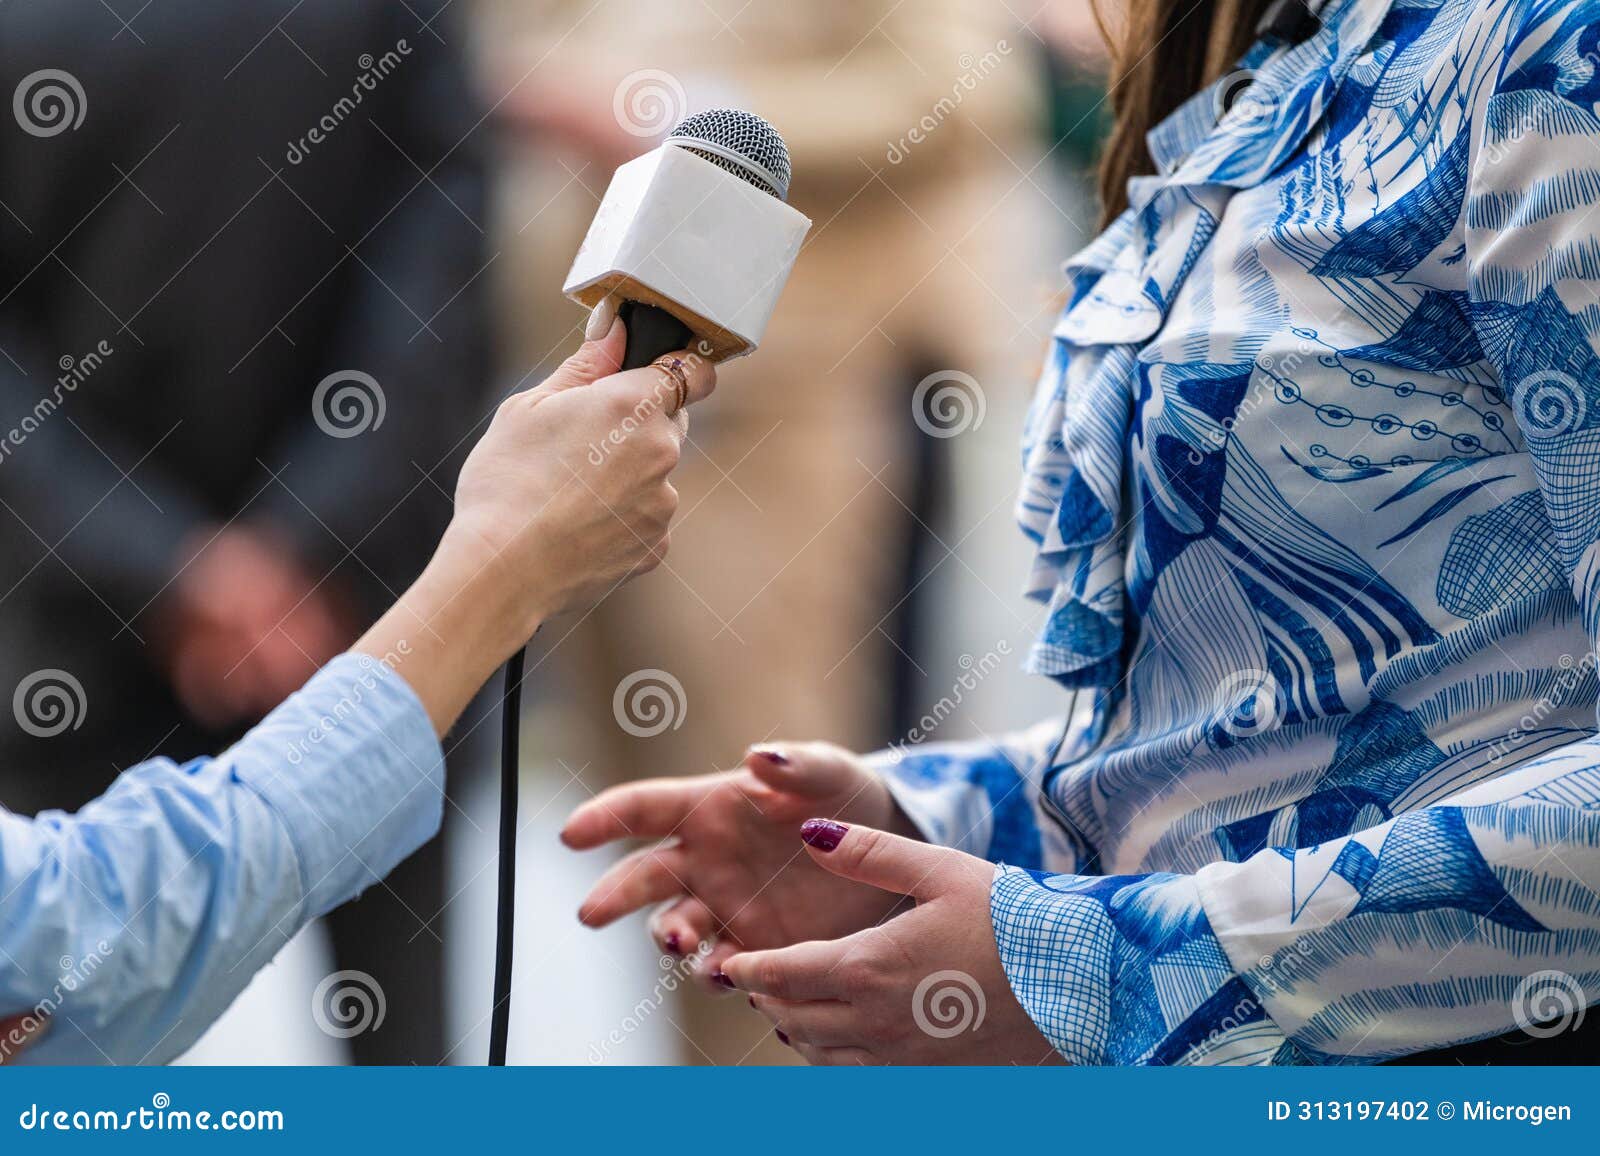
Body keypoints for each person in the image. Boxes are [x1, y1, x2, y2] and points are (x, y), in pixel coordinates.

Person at [566, 0, 1600, 1064]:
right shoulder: (1281, 65)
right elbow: (1275, 726)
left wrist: (1098, 964)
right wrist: (933, 826)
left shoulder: (1557, 58)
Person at [0, 315, 713, 1065]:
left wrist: (288, 550)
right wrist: (500, 571)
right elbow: (76, 935)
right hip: (81, 628)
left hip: (360, 571)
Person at [0, 0, 489, 1063]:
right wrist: (265, 549)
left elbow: (438, 242)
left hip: (194, 603)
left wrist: (182, 563)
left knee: (53, 1063)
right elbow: (436, 258)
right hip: (339, 607)